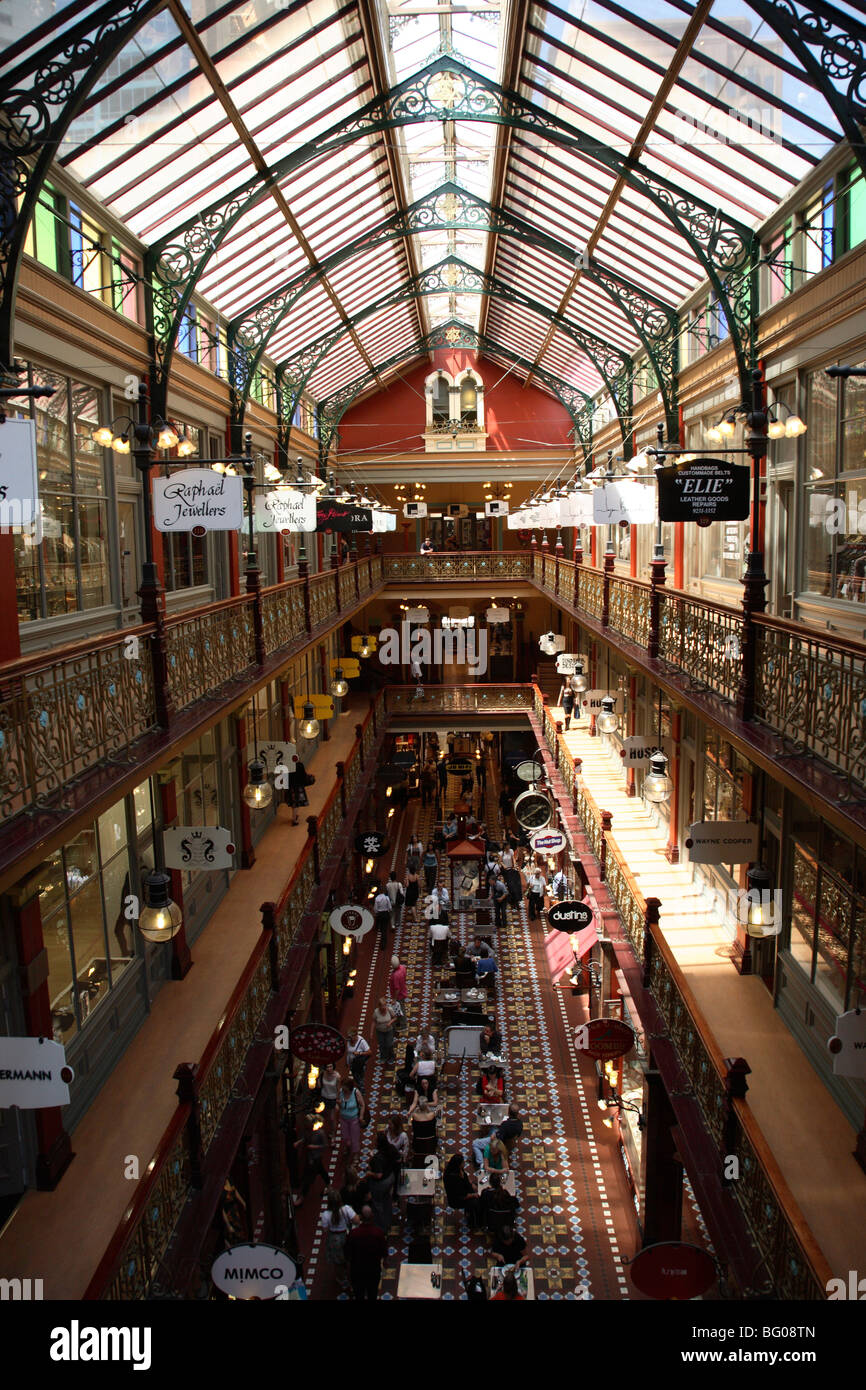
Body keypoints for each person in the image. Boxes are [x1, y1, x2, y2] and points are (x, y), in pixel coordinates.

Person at [346, 1204, 387, 1301]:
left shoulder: (353, 1234)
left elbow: (348, 1254)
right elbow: (384, 1252)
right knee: (372, 1294)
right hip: (373, 1271)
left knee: (359, 1295)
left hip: (357, 1271)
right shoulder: (379, 1233)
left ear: (361, 1217)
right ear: (372, 1216)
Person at [320, 1188, 359, 1291]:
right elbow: (356, 1220)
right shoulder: (346, 1209)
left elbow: (325, 1229)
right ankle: (351, 1278)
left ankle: (341, 1279)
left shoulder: (325, 1215)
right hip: (346, 1236)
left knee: (337, 1261)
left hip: (334, 1239)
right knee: (349, 1258)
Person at [292, 1113, 328, 1205]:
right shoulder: (308, 1131)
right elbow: (305, 1138)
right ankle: (328, 1184)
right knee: (321, 1171)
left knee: (309, 1177)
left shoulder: (320, 1133)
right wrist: (298, 1143)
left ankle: (303, 1196)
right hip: (310, 1157)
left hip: (316, 1157)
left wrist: (314, 1147)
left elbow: (324, 1145)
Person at [443, 1153, 480, 1229]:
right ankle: (473, 1222)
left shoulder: (458, 1169)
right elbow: (462, 1195)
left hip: (465, 1190)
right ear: (458, 1164)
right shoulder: (453, 1179)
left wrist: (471, 1183)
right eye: (463, 1162)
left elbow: (466, 1177)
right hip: (458, 1200)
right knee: (476, 1202)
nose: (464, 1163)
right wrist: (474, 1194)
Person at [478, 1171, 518, 1237]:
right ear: (500, 1182)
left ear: (490, 1183)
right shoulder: (505, 1193)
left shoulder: (485, 1193)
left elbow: (481, 1205)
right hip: (506, 1221)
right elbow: (514, 1205)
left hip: (491, 1222)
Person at [337, 1075, 366, 1160]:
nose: (343, 1089)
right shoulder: (341, 1092)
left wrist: (361, 1117)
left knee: (354, 1137)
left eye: (344, 1087)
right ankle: (347, 1147)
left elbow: (362, 1105)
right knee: (345, 1136)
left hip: (354, 1119)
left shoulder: (355, 1092)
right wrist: (338, 1103)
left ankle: (356, 1154)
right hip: (343, 1119)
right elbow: (338, 1102)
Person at [365, 1155, 395, 1235]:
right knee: (387, 1202)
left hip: (379, 1191)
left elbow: (378, 1175)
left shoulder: (376, 1175)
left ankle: (382, 1228)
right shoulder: (386, 1162)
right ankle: (387, 1223)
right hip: (386, 1189)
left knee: (379, 1207)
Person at [319, 1061, 341, 1137]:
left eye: (330, 1066)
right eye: (327, 1067)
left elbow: (338, 1089)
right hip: (324, 1097)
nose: (329, 1069)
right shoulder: (323, 1074)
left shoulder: (337, 1076)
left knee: (332, 1118)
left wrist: (337, 1099)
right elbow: (319, 1085)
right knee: (324, 1116)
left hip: (332, 1098)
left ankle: (333, 1135)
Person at [373, 995, 397, 1064]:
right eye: (382, 1006)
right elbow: (374, 1021)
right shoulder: (376, 1012)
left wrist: (390, 1022)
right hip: (379, 1031)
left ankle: (391, 1057)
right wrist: (371, 1032)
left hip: (389, 1030)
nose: (383, 1007)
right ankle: (383, 1057)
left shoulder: (389, 1010)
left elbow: (395, 1017)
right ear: (379, 1006)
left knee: (389, 1044)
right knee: (381, 1044)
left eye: (384, 1005)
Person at [389, 955, 407, 1029]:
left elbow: (397, 989)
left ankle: (403, 1025)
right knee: (400, 1008)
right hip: (403, 991)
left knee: (400, 1009)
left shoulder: (396, 975)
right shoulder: (403, 968)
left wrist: (394, 999)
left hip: (399, 995)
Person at [373, 882, 392, 949]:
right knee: (385, 929)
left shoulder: (377, 899)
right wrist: (389, 911)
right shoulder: (386, 898)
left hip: (380, 914)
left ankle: (382, 941)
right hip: (386, 914)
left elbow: (375, 908)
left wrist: (376, 913)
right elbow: (390, 907)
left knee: (381, 928)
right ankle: (383, 943)